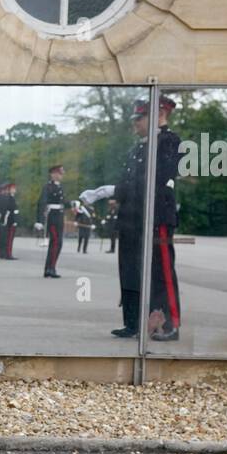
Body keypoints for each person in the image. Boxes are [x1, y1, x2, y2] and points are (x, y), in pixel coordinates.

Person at [82, 97, 181, 339]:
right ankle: (134, 321)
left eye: (140, 118)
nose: (135, 124)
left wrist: (112, 190)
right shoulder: (137, 148)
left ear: (159, 115)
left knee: (161, 271)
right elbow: (127, 182)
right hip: (132, 217)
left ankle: (168, 323)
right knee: (130, 270)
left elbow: (154, 179)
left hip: (156, 216)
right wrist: (113, 191)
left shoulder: (169, 142)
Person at [38, 164, 66, 277]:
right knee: (55, 242)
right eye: (59, 173)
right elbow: (42, 203)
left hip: (59, 216)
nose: (61, 175)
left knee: (58, 243)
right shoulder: (48, 187)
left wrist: (73, 204)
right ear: (53, 174)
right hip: (52, 217)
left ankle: (50, 267)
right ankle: (50, 268)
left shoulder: (60, 187)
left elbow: (63, 202)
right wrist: (39, 220)